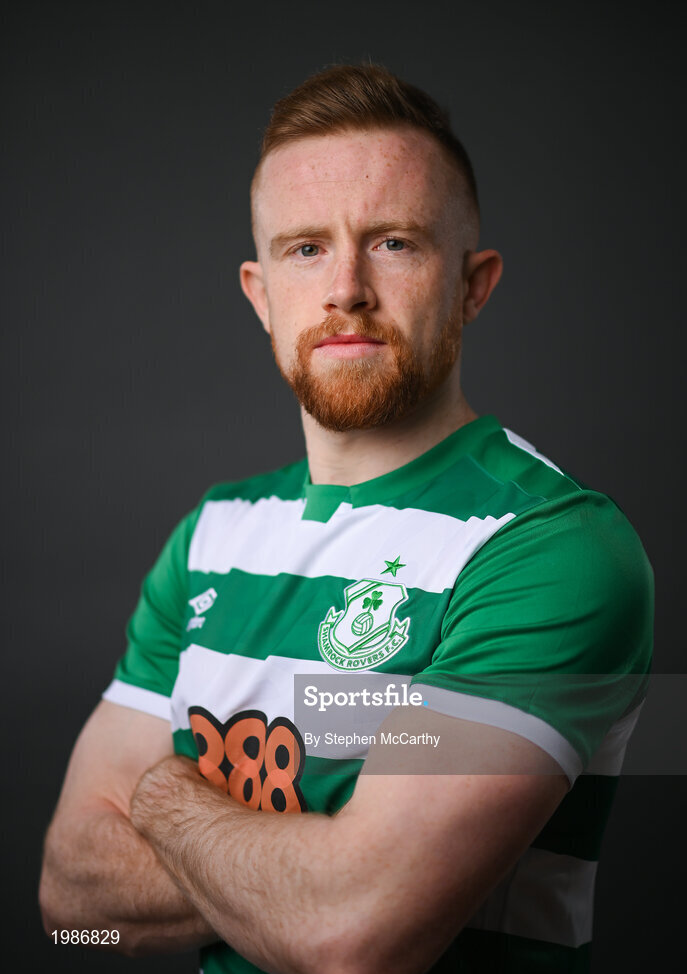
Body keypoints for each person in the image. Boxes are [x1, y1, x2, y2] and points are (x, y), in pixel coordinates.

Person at [39, 64, 653, 974]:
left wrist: (166, 796)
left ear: (473, 284)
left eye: (394, 242)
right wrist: (313, 861)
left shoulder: (549, 548)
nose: (346, 289)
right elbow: (74, 912)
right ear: (260, 294)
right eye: (305, 249)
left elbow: (350, 939)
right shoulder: (211, 537)